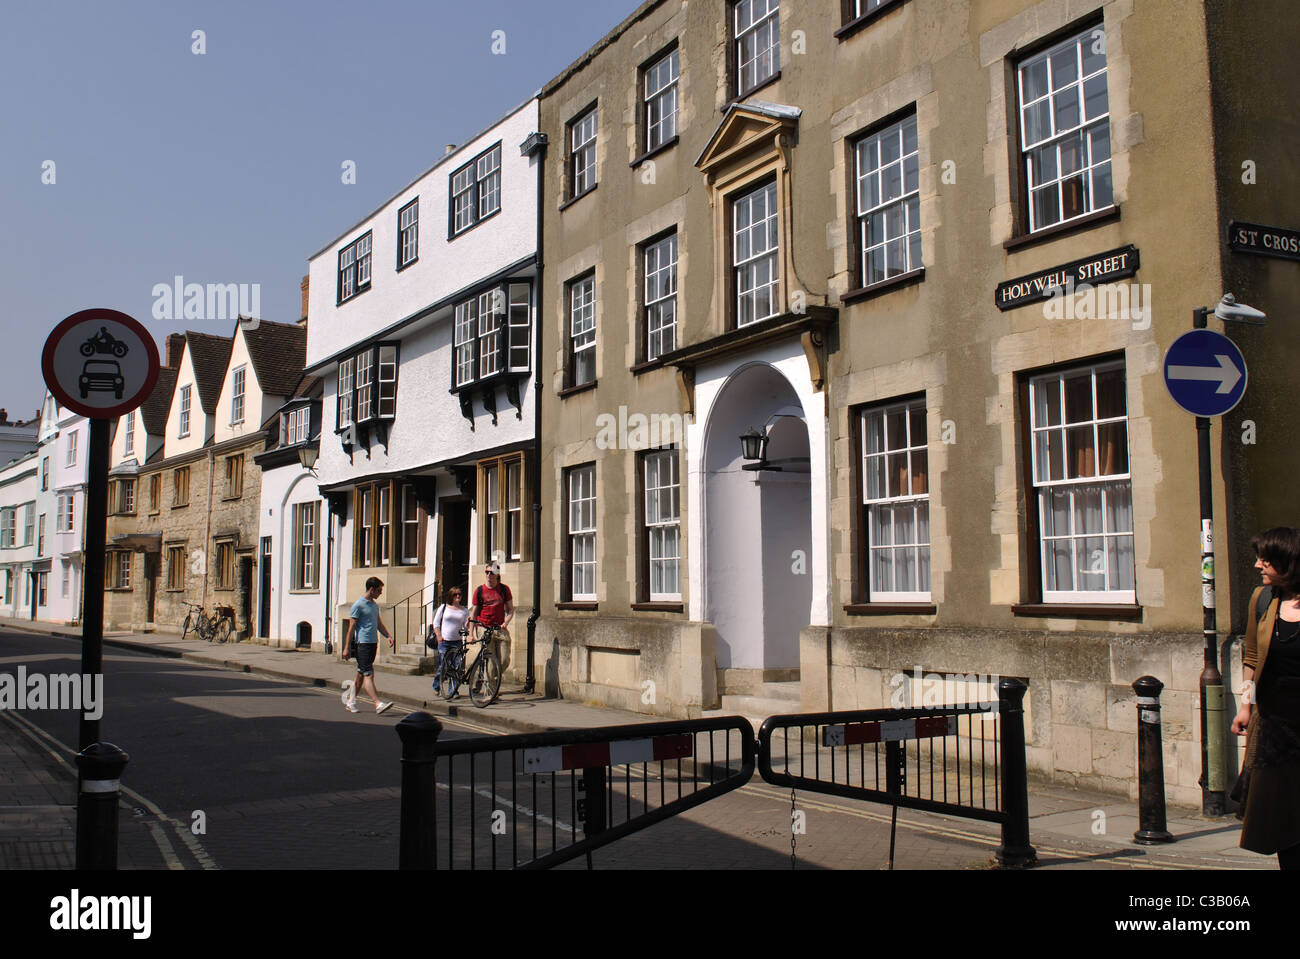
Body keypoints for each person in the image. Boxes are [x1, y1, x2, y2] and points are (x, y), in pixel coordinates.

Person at [1231, 526, 1300, 868]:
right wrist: (1245, 705)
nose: (1258, 565)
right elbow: (1252, 658)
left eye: (1265, 559)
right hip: (1274, 725)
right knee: (1281, 815)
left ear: (1287, 562)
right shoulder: (1262, 600)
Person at [342, 577, 395, 715]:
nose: (380, 593)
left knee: (360, 674)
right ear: (371, 589)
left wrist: (388, 636)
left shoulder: (374, 605)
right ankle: (378, 704)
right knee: (368, 675)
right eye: (379, 590)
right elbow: (351, 628)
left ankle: (350, 702)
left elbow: (378, 624)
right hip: (363, 644)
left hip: (373, 643)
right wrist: (346, 647)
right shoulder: (358, 605)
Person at [469, 561, 513, 673]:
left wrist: (506, 622)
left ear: (497, 574)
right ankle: (489, 686)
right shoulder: (479, 590)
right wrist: (471, 634)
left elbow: (510, 610)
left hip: (499, 627)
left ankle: (491, 679)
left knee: (504, 660)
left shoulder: (504, 589)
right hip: (484, 627)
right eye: (487, 572)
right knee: (491, 663)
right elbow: (473, 614)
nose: (489, 575)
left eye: (491, 572)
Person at [430, 586, 471, 699]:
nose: (458, 596)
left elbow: (466, 626)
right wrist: (439, 636)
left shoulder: (464, 610)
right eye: (455, 594)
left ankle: (453, 690)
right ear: (451, 596)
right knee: (443, 665)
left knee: (456, 667)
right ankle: (437, 685)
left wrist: (468, 627)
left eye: (460, 594)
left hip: (457, 642)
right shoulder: (444, 608)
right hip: (444, 641)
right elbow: (436, 623)